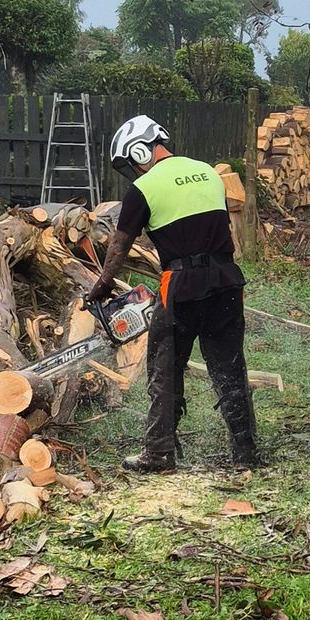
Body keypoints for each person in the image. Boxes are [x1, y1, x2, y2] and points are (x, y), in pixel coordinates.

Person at [83, 116, 258, 476]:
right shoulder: (209, 173)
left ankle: (160, 453)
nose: (133, 171)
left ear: (139, 151)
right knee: (230, 368)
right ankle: (246, 452)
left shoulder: (143, 188)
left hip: (180, 287)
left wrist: (101, 286)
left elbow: (119, 247)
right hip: (226, 281)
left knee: (165, 369)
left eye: (132, 164)